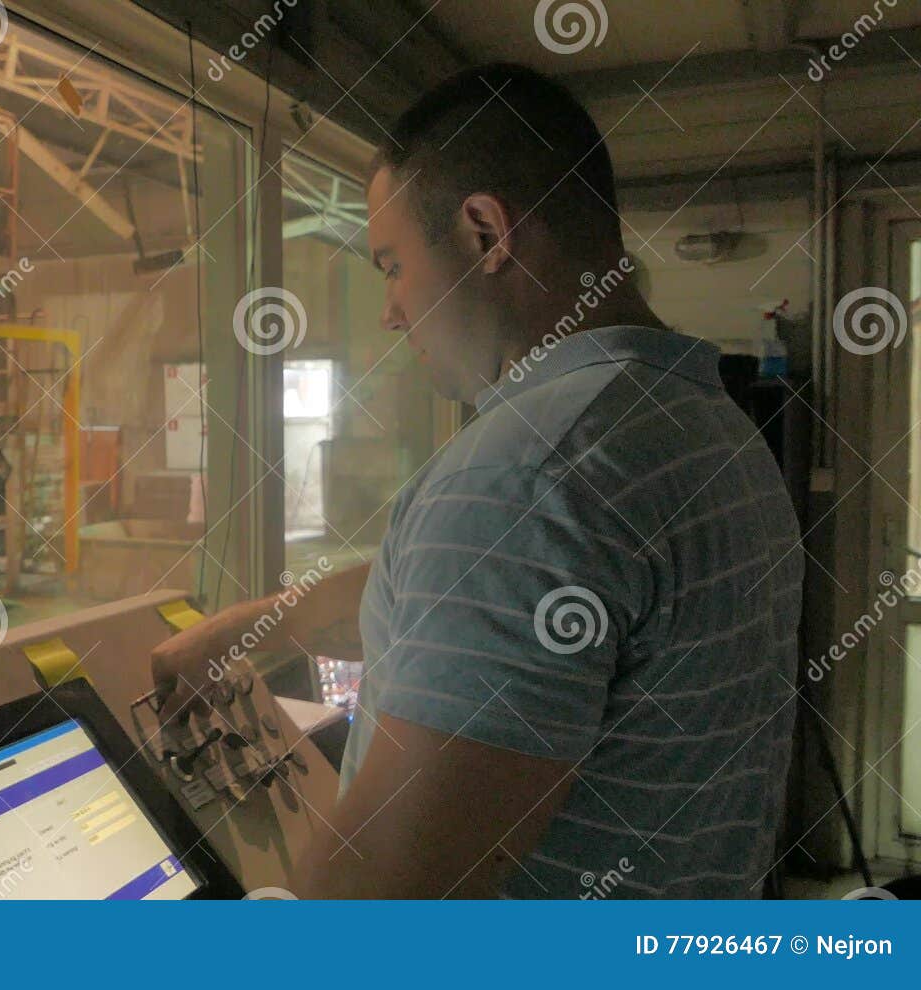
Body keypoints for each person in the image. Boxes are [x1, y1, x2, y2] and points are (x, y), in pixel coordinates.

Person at [151, 64, 803, 899]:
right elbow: (459, 611)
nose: (390, 311)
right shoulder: (699, 421)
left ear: (486, 233)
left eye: (392, 265)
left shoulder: (524, 474)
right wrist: (237, 633)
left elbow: (377, 906)